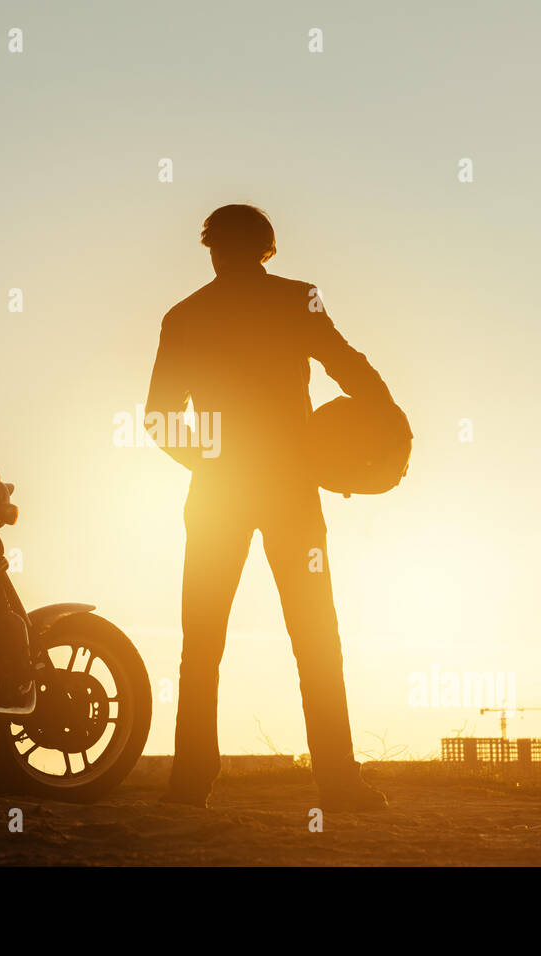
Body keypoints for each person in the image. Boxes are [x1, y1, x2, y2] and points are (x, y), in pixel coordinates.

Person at [145, 204, 391, 811]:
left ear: (211, 249)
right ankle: (338, 784)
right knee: (316, 636)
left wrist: (212, 461)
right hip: (288, 491)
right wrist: (390, 419)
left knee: (200, 643)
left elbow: (157, 417)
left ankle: (188, 785)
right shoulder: (296, 299)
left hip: (218, 494)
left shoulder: (184, 315)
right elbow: (347, 366)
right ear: (267, 248)